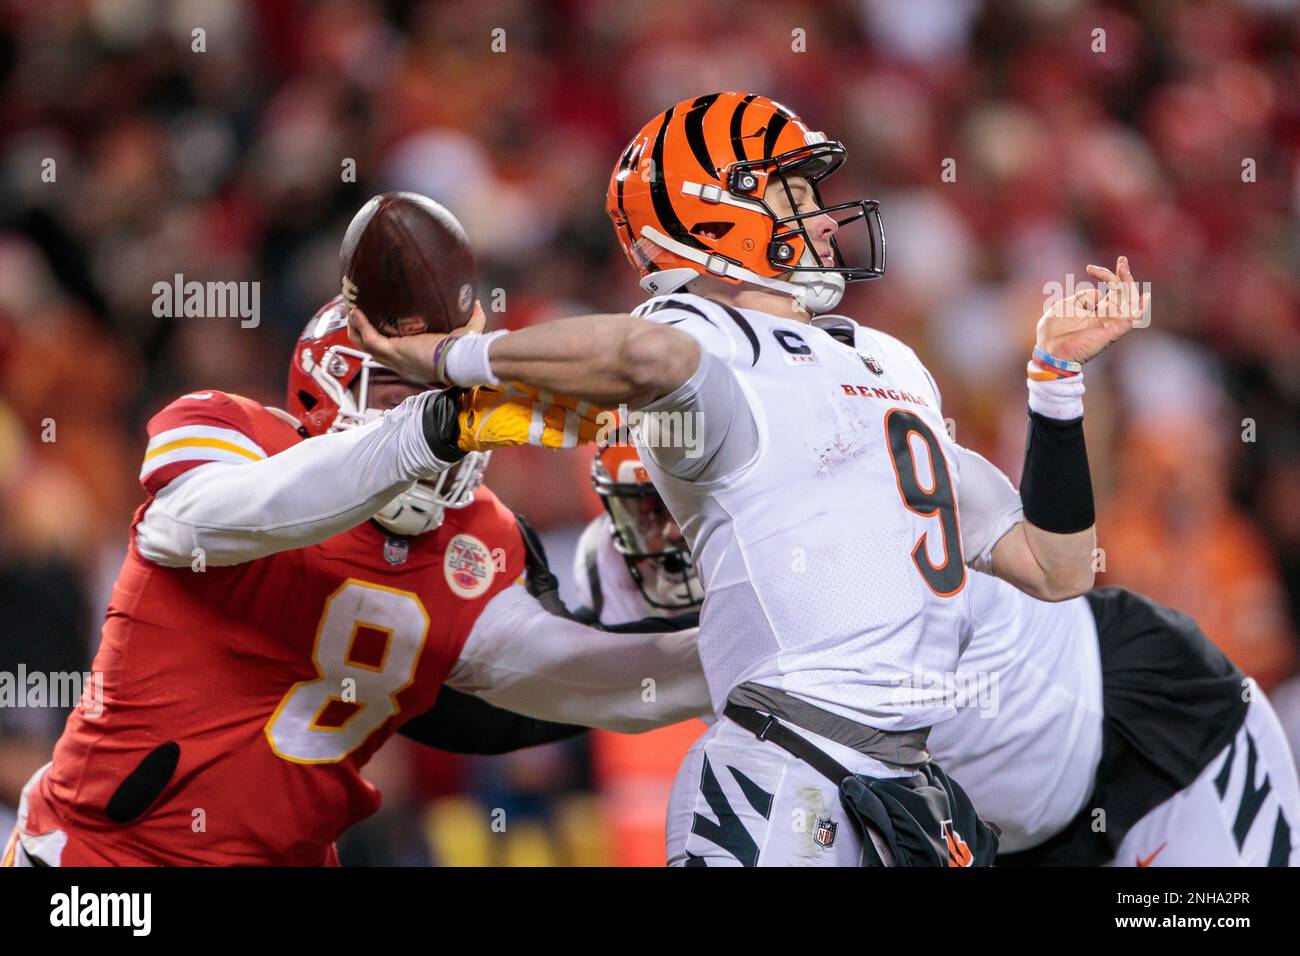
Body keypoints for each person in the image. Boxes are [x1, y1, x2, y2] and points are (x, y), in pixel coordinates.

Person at [347, 92, 1147, 866]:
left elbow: (1058, 565)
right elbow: (643, 357)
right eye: (794, 191)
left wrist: (1055, 386)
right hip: (786, 768)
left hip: (905, 788)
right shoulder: (706, 336)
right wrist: (453, 357)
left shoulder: (885, 360)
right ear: (709, 212)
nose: (826, 216)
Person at [2, 297, 708, 867]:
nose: (441, 415)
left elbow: (563, 677)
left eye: (452, 397)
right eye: (403, 392)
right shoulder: (232, 433)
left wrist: (739, 658)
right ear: (325, 390)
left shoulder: (477, 541)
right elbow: (200, 520)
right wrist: (422, 433)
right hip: (106, 858)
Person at [579, 451, 1300, 866]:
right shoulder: (612, 576)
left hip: (1147, 740)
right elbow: (544, 691)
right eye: (647, 512)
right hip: (1004, 835)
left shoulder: (838, 536)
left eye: (681, 501)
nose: (670, 537)